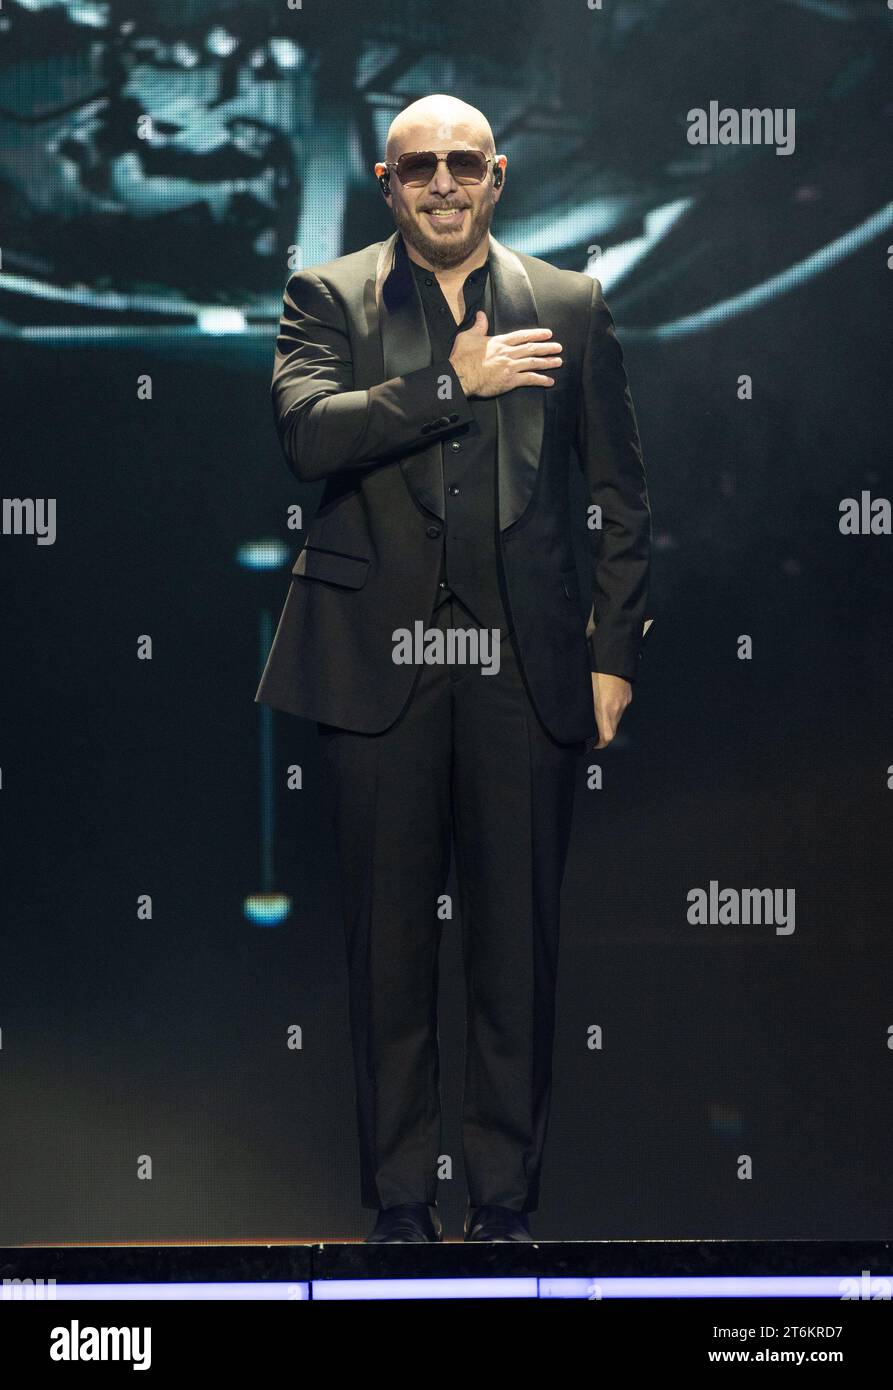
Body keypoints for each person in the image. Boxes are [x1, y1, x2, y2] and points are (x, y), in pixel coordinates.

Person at [256, 93, 652, 1243]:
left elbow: (620, 497)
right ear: (386, 181)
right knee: (386, 946)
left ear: (497, 176)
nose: (442, 183)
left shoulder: (570, 306)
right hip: (374, 664)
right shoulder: (325, 296)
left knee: (512, 943)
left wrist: (613, 652)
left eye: (462, 164)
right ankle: (395, 1204)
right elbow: (306, 436)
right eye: (419, 166)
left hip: (524, 664)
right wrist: (449, 385)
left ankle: (502, 1202)